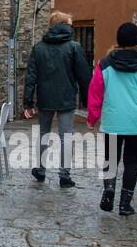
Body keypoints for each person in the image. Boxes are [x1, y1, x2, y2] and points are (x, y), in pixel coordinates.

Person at [87, 22, 137, 216]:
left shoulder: (104, 64)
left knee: (110, 159)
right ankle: (125, 203)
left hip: (113, 120)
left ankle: (109, 189)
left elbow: (95, 93)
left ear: (118, 40)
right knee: (131, 162)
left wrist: (92, 117)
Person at [22, 11, 91, 188]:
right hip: (66, 98)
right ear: (65, 25)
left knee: (43, 134)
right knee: (65, 137)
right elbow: (84, 77)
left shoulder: (39, 48)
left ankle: (40, 169)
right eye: (70, 23)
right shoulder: (74, 47)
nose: (72, 25)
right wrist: (88, 102)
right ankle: (64, 175)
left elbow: (31, 77)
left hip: (45, 98)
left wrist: (28, 102)